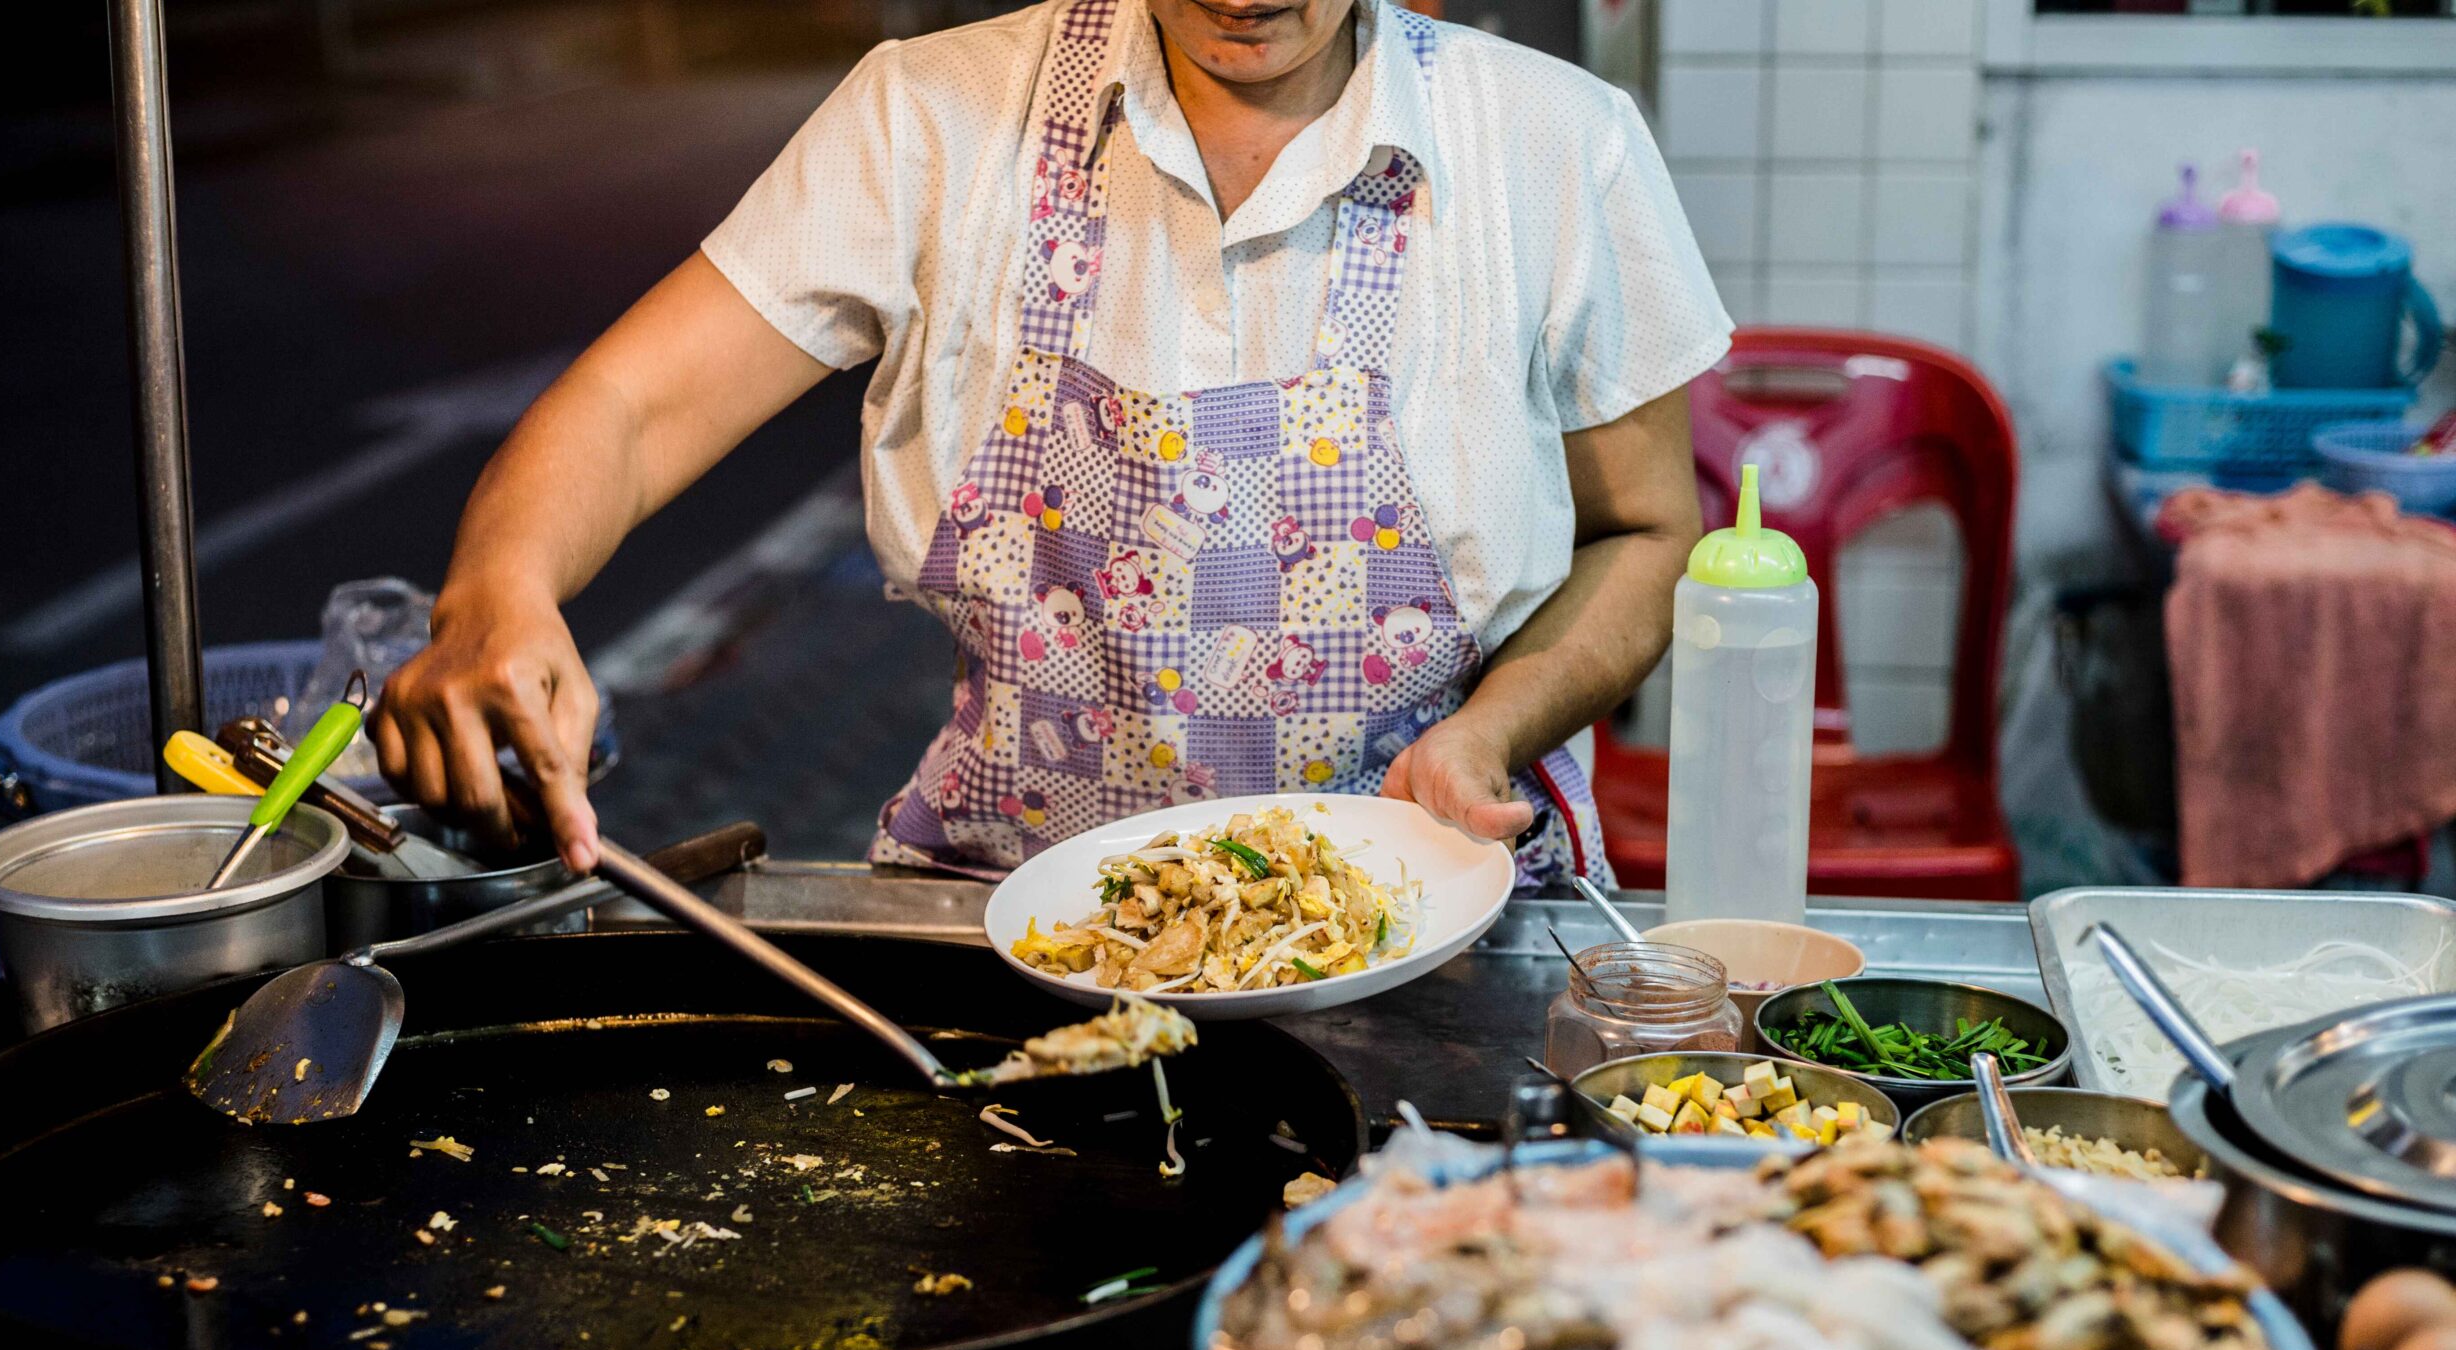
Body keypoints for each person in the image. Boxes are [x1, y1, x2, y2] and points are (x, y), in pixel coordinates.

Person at [374, 0, 1730, 885]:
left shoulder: (1551, 146)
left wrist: (1491, 733)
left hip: (1426, 916)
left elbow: (1649, 526)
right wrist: (499, 587)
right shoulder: (933, 117)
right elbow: (626, 406)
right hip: (1018, 935)